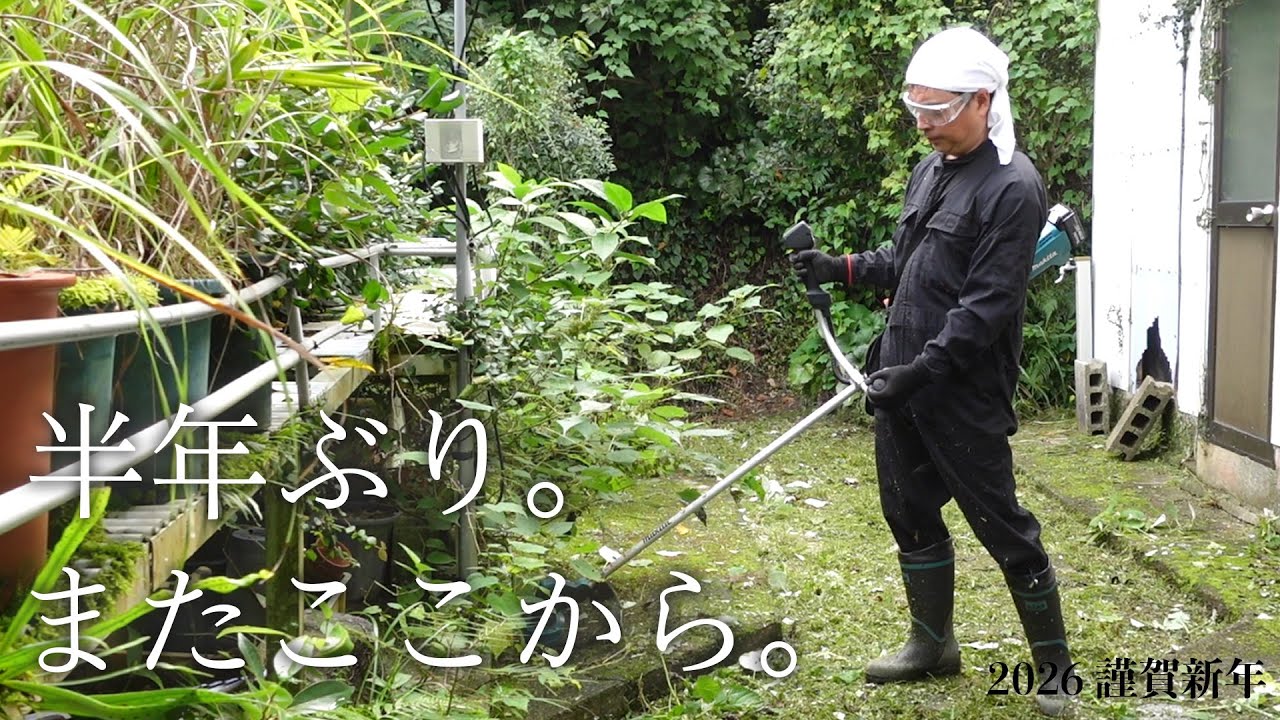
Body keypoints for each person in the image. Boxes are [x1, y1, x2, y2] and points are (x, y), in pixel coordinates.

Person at [790, 27, 1074, 716]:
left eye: (937, 111)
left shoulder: (1013, 188)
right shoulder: (932, 169)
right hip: (902, 373)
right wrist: (840, 267)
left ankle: (1055, 670)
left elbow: (987, 307)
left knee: (1003, 525)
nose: (924, 124)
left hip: (961, 389)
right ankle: (932, 645)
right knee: (908, 511)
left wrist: (922, 372)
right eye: (916, 109)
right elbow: (907, 260)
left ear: (983, 100)